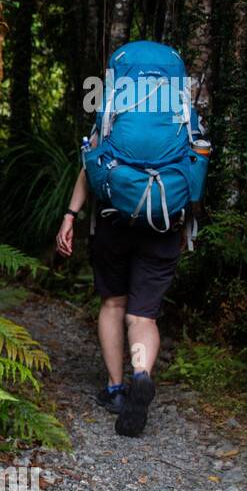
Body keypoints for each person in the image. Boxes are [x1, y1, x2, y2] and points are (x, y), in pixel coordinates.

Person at [55, 133, 188, 438]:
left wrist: (70, 216)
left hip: (113, 223)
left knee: (113, 304)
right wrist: (186, 221)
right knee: (143, 316)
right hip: (164, 223)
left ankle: (116, 389)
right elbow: (194, 173)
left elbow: (90, 167)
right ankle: (141, 375)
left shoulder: (114, 113)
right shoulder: (179, 117)